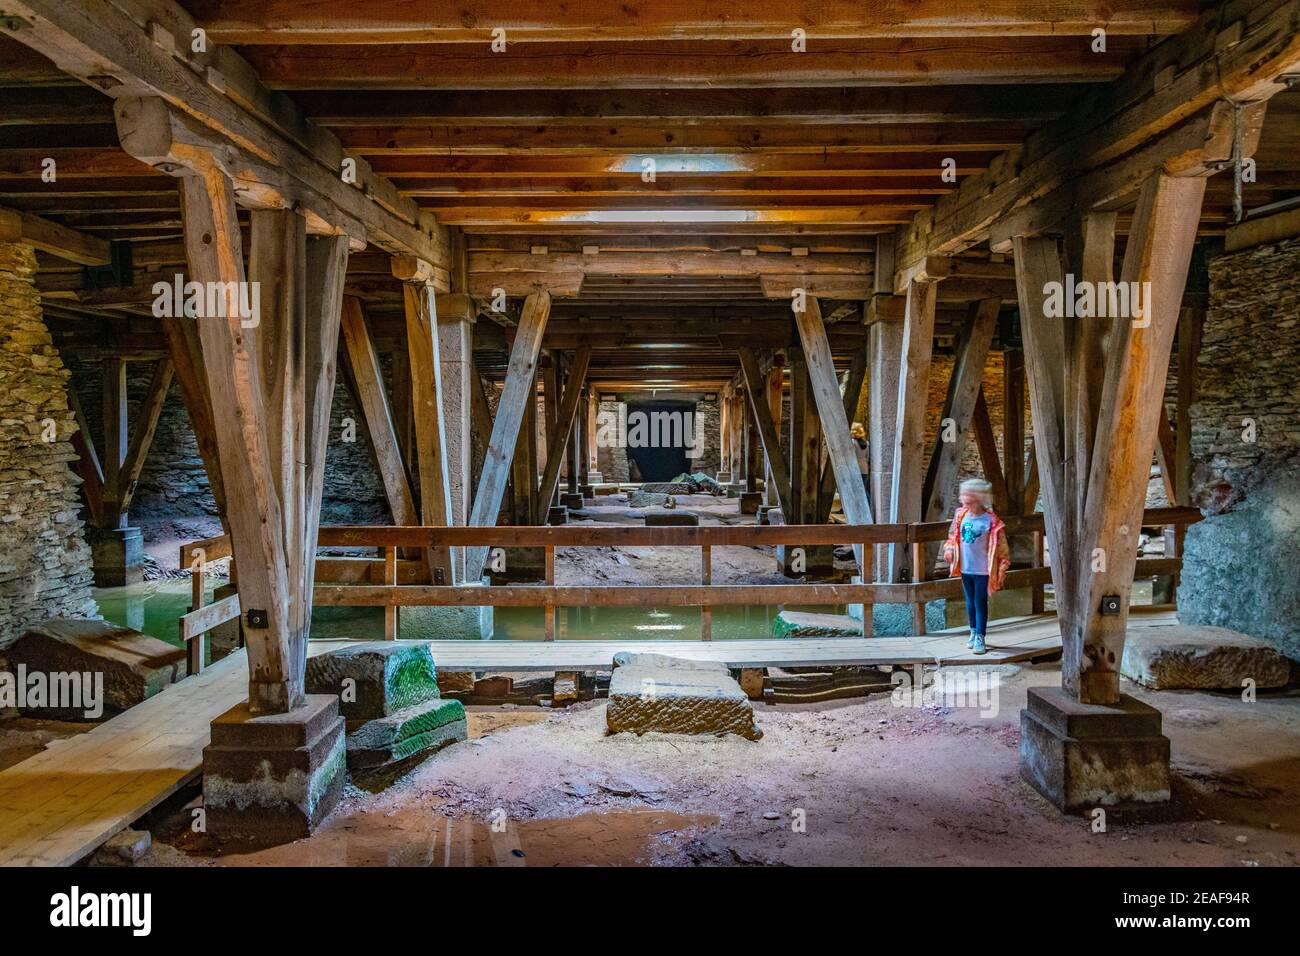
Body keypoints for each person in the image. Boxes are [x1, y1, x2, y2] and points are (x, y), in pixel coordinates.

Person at [942, 478, 1011, 655]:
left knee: (980, 602)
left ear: (979, 497)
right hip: (966, 568)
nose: (963, 497)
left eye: (967, 494)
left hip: (982, 570)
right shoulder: (961, 516)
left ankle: (981, 636)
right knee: (969, 601)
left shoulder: (991, 521)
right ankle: (972, 631)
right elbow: (952, 537)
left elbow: (1002, 549)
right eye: (963, 494)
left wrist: (1002, 568)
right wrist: (949, 549)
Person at [850, 422, 870, 497]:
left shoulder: (852, 442)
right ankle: (869, 505)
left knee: (855, 491)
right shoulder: (867, 443)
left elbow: (852, 457)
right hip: (865, 469)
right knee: (863, 490)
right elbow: (867, 457)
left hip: (856, 469)